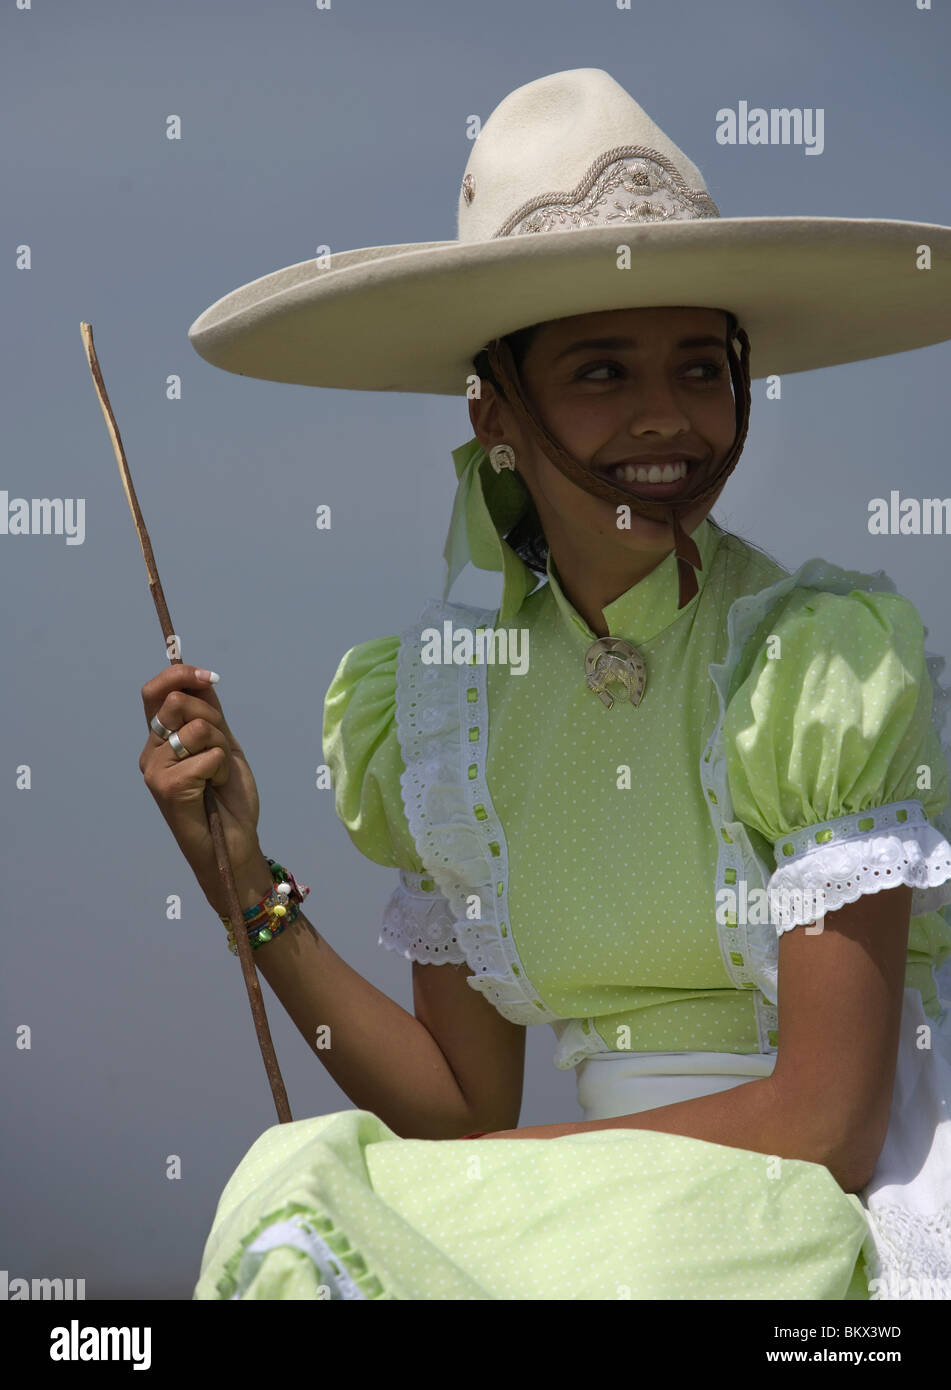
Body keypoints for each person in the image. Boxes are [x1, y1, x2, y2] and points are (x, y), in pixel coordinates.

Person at [142, 69, 951, 1299]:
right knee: (297, 1182)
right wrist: (243, 881)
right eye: (600, 372)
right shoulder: (443, 711)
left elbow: (828, 1121)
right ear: (495, 410)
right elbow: (460, 1106)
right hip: (600, 1226)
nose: (665, 415)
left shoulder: (816, 666)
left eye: (699, 365)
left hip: (839, 1207)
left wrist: (518, 1184)